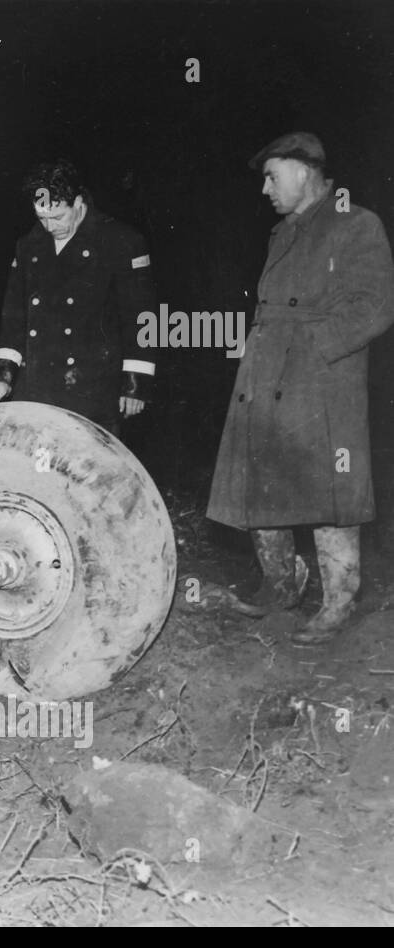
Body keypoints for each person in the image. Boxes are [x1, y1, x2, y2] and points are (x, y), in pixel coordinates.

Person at [208, 132, 394, 644]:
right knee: (262, 478)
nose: (265, 188)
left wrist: (312, 348)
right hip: (268, 375)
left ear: (304, 169)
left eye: (272, 175)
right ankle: (280, 586)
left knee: (332, 491)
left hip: (322, 380)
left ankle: (338, 601)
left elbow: (375, 306)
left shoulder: (357, 223)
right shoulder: (282, 233)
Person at [0, 159, 157, 433]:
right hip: (37, 384)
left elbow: (141, 317)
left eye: (58, 217)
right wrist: (3, 375)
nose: (50, 227)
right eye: (42, 218)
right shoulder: (28, 246)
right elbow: (14, 317)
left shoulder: (120, 241)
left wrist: (135, 383)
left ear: (78, 203)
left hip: (92, 388)